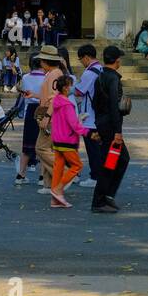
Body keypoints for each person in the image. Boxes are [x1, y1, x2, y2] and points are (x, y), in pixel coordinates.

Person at [91, 45, 130, 214]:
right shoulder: (113, 78)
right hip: (110, 126)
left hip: (102, 123)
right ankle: (100, 200)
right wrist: (118, 131)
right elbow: (114, 106)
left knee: (119, 160)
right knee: (112, 162)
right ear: (116, 60)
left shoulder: (100, 76)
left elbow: (94, 103)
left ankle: (107, 196)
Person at [49, 73, 94, 209]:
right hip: (67, 140)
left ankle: (55, 199)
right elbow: (73, 124)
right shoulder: (67, 104)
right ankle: (59, 189)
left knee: (58, 167)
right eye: (71, 85)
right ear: (66, 88)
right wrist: (87, 132)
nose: (72, 88)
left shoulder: (57, 101)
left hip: (57, 139)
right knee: (77, 166)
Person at [34, 49, 65, 194]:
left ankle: (63, 174)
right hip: (52, 114)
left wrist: (47, 116)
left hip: (52, 116)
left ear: (46, 61)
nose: (40, 63)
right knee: (49, 148)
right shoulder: (53, 73)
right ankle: (49, 184)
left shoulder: (54, 74)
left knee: (41, 148)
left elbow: (54, 98)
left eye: (41, 60)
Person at [74, 44, 104, 188]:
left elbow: (79, 92)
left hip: (89, 118)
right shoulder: (101, 69)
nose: (81, 62)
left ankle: (95, 177)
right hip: (100, 116)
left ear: (86, 57)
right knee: (100, 148)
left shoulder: (89, 73)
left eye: (81, 59)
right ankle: (102, 175)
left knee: (92, 150)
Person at [14, 54, 44, 184]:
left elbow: (22, 90)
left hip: (30, 110)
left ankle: (21, 175)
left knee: (27, 144)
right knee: (44, 145)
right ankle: (42, 176)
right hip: (43, 109)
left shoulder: (26, 77)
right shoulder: (47, 77)